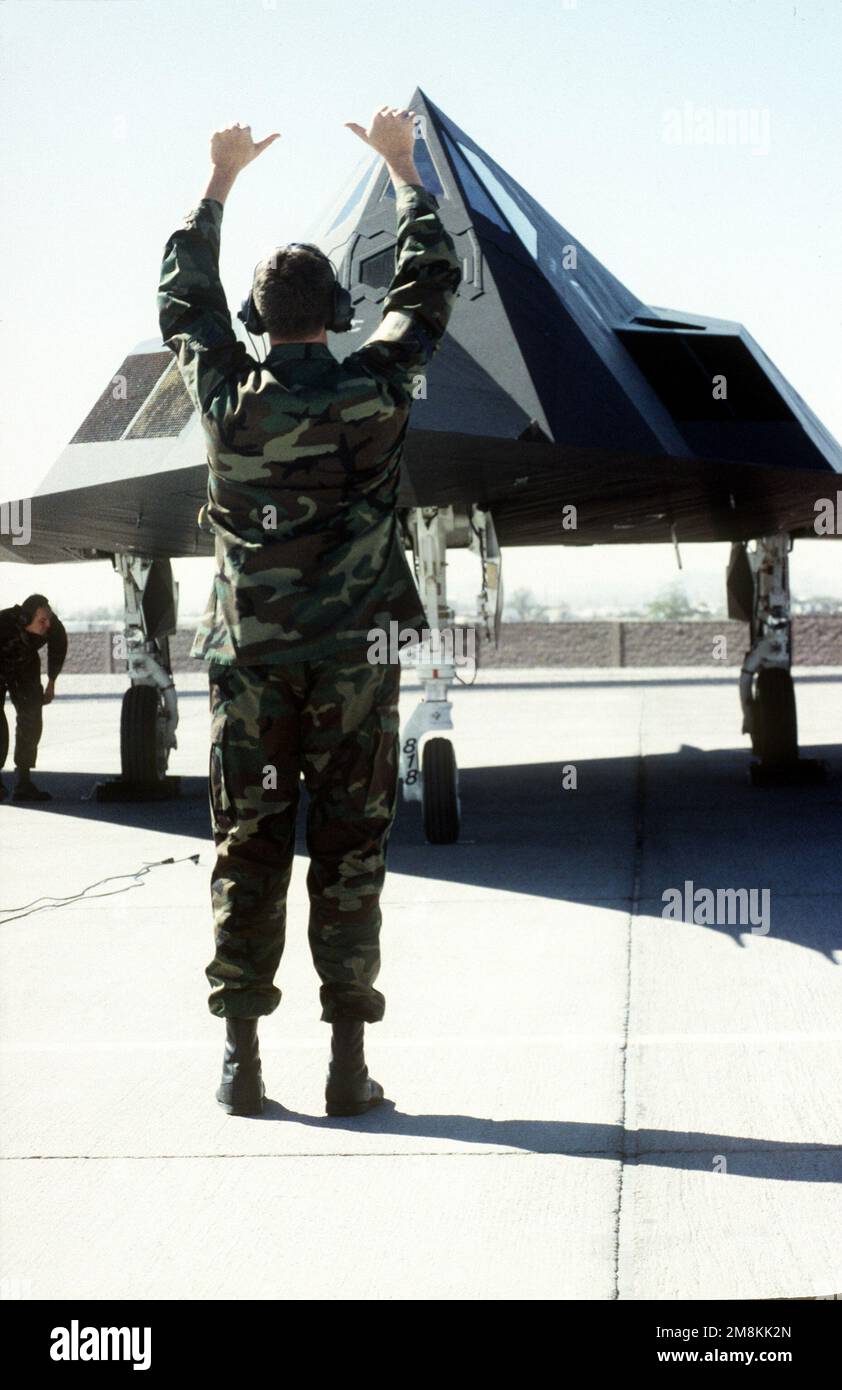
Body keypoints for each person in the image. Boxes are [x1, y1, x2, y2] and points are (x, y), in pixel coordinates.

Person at [158, 108, 461, 1116]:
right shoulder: (378, 388)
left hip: (249, 662)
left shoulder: (226, 397)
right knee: (348, 845)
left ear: (257, 319)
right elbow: (427, 287)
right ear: (334, 314)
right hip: (352, 660)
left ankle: (241, 1062)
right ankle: (344, 1064)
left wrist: (217, 181)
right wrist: (403, 169)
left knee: (247, 840)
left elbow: (180, 302)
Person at [0, 594, 67, 802]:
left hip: (25, 662)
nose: (48, 625)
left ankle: (24, 782)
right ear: (24, 619)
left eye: (49, 619)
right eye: (42, 621)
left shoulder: (52, 625)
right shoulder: (3, 624)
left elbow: (58, 646)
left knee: (31, 714)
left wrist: (51, 682)